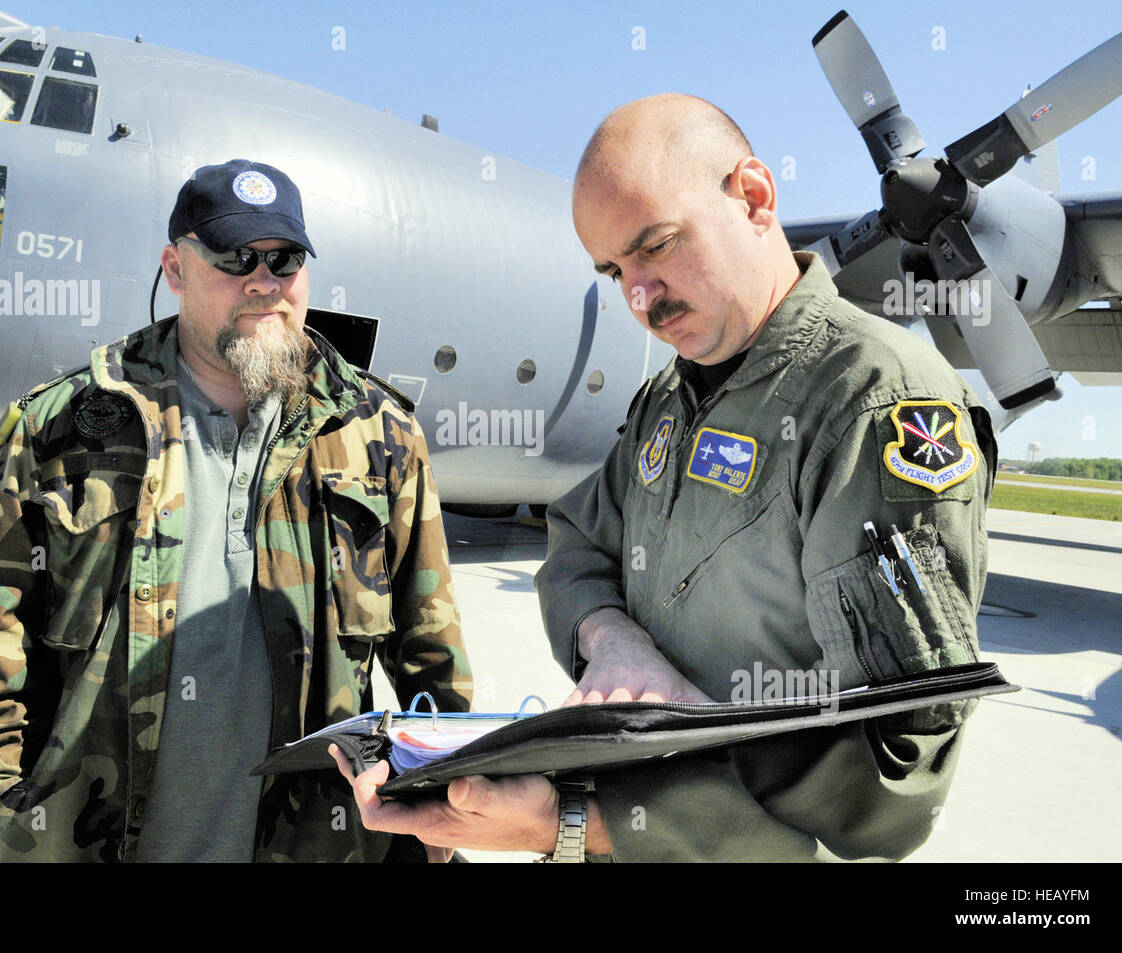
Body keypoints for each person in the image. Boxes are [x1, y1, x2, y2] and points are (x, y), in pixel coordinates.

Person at [333, 95, 996, 862]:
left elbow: (889, 785)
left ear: (753, 196)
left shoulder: (873, 399)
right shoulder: (668, 400)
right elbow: (577, 545)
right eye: (615, 270)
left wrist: (583, 817)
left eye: (657, 246)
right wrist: (614, 643)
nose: (639, 298)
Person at [0, 159, 472, 862]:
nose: (264, 282)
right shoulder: (67, 424)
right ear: (174, 269)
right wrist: (6, 800)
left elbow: (432, 649)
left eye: (285, 259)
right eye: (234, 257)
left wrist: (447, 800)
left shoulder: (377, 432)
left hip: (314, 841)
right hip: (97, 839)